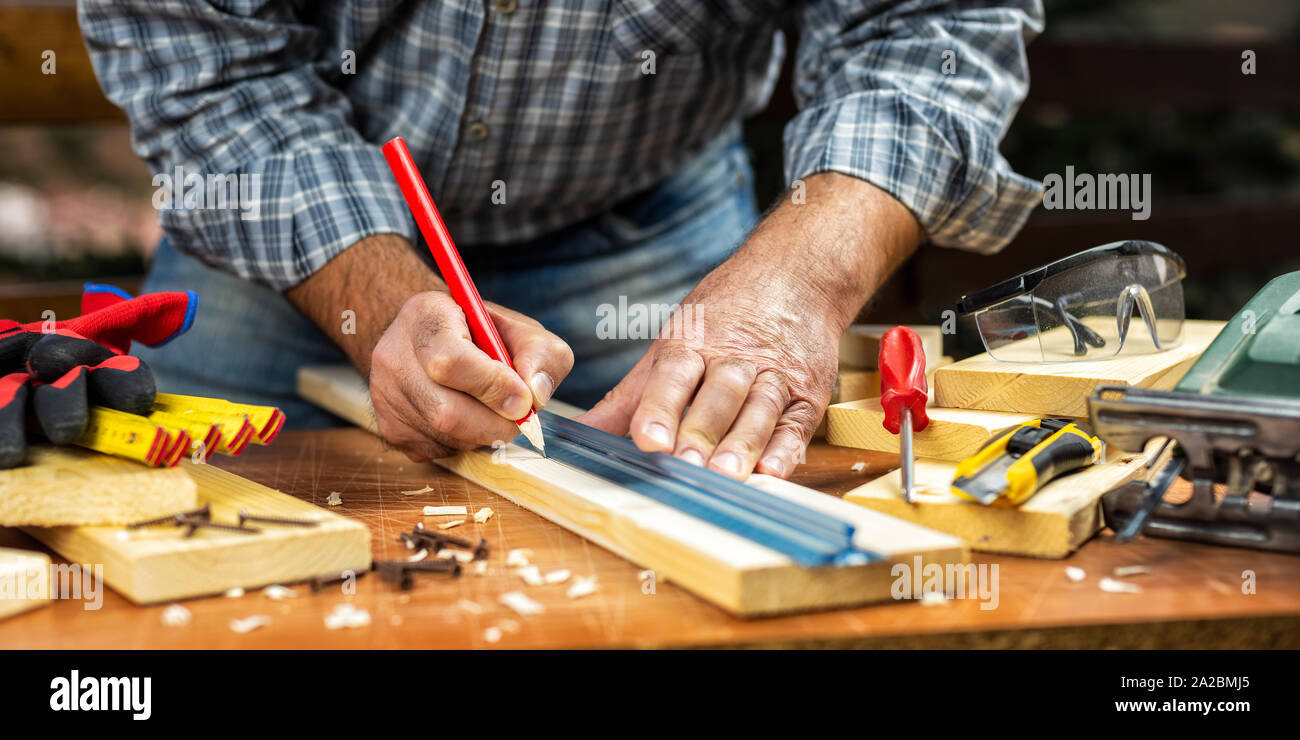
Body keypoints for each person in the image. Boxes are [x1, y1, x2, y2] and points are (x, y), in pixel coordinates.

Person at [79, 1, 1044, 479]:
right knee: (201, 562)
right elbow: (209, 71)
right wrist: (377, 301)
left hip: (652, 235)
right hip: (282, 241)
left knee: (680, 554)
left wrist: (801, 277)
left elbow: (929, 25)